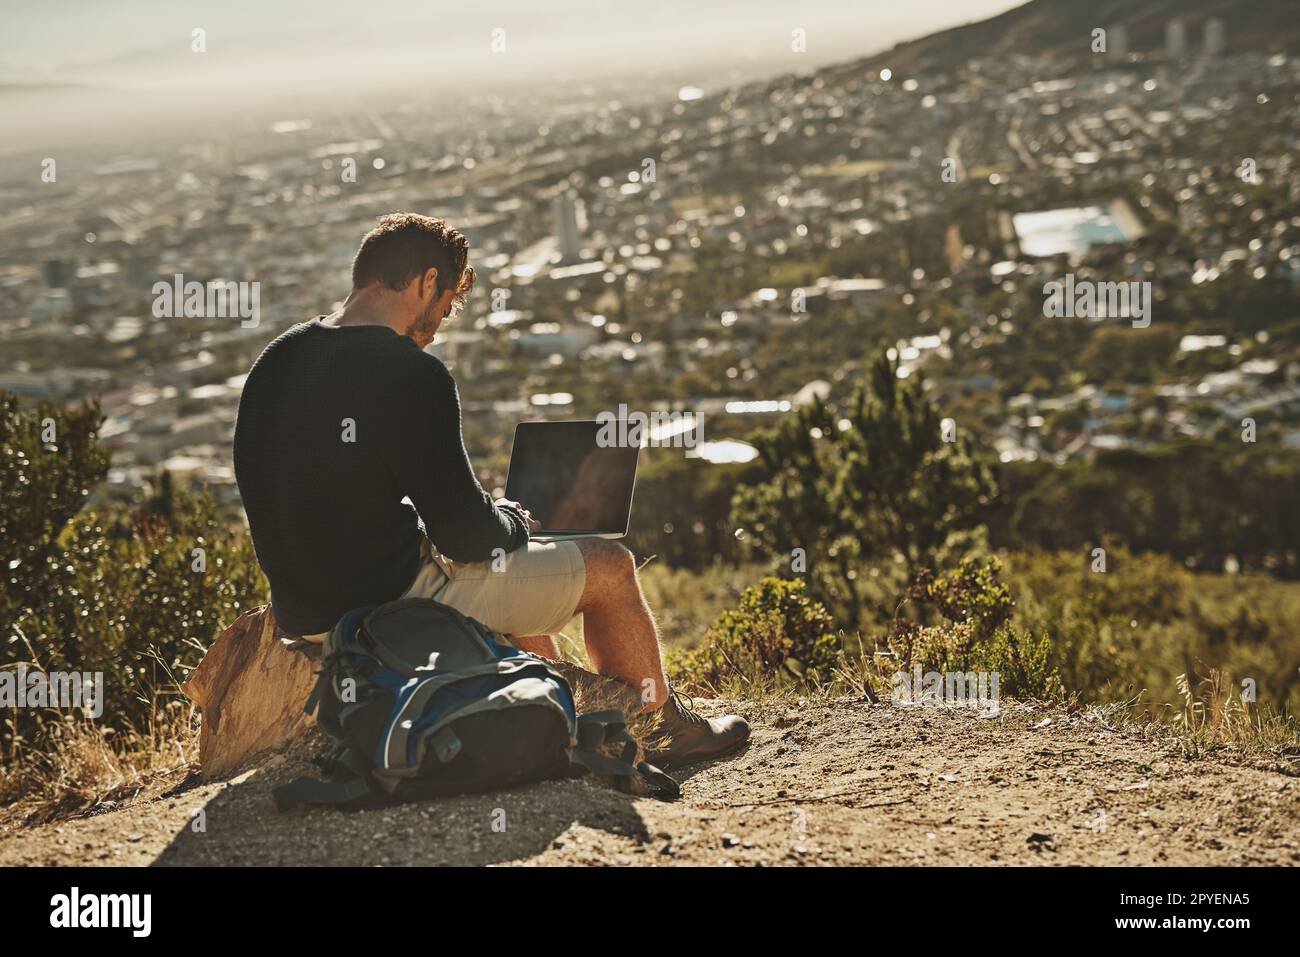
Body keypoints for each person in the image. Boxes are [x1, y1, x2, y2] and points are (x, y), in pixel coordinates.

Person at [233, 212, 749, 766]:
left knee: (514, 570)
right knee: (611, 568)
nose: (441, 324)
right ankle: (661, 729)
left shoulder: (278, 358)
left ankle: (547, 712)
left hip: (305, 611)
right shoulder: (412, 374)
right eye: (449, 304)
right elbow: (467, 538)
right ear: (428, 282)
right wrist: (511, 522)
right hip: (389, 604)